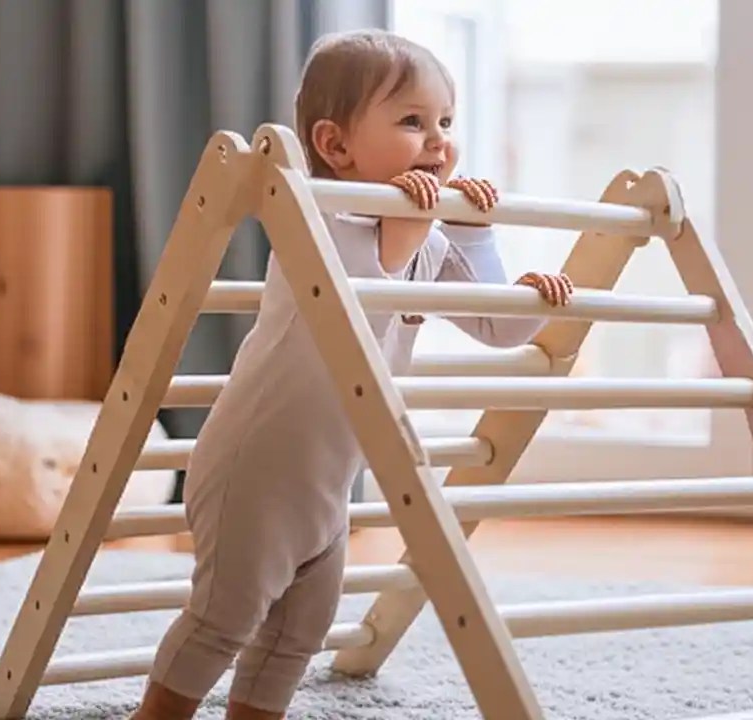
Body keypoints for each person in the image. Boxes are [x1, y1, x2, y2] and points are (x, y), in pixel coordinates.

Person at [131, 28, 573, 720]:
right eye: (412, 122)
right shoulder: (318, 213)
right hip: (256, 466)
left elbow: (500, 326)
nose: (439, 142)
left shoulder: (419, 231)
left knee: (301, 627)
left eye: (446, 123)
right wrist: (428, 224)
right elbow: (375, 282)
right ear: (336, 148)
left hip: (329, 479)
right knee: (226, 614)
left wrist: (483, 242)